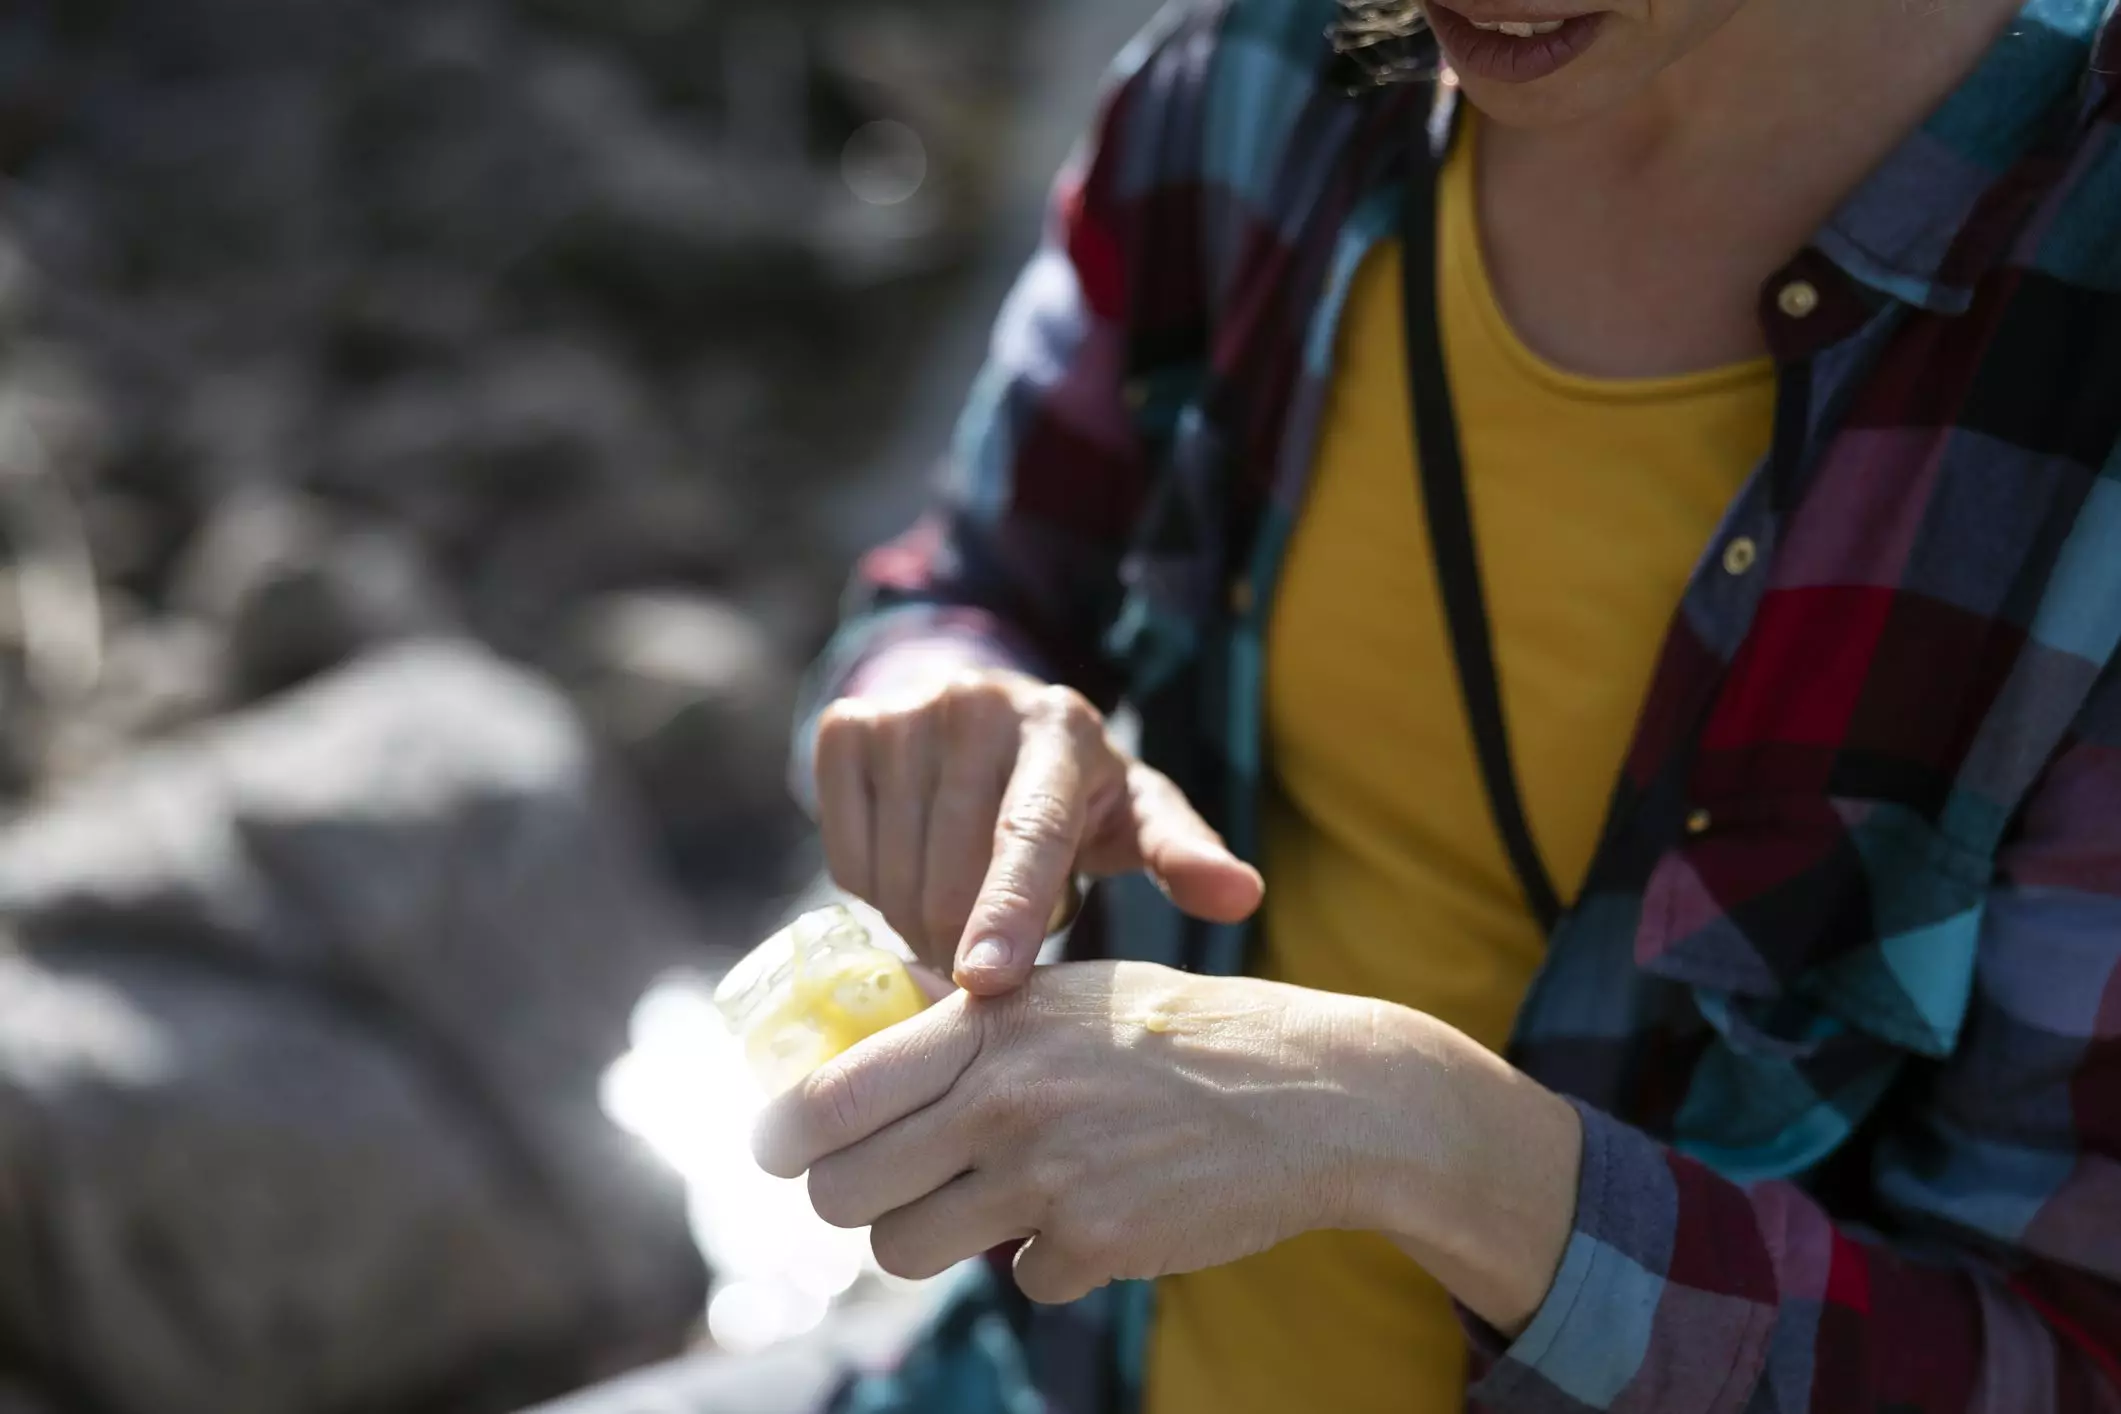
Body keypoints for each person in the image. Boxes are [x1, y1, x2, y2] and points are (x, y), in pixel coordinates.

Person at [757, 0, 2121, 1411]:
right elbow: (963, 584)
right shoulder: (1256, 73)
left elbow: (2066, 1362)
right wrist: (944, 707)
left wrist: (1418, 1131)